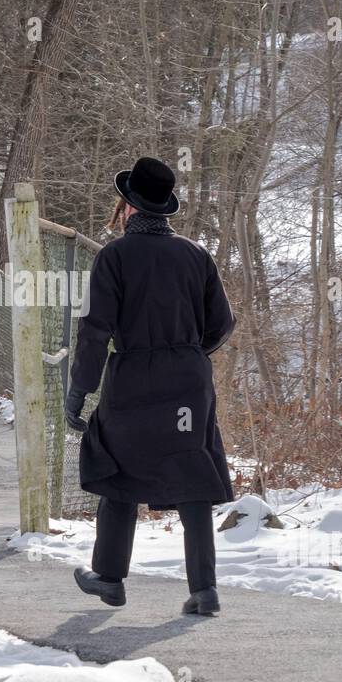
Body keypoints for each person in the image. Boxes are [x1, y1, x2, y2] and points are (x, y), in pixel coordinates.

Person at [65, 156, 236, 614]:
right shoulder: (196, 255)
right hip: (189, 381)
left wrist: (79, 390)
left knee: (117, 471)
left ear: (128, 208)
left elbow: (95, 331)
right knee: (192, 475)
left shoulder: (115, 256)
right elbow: (223, 323)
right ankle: (204, 591)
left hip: (133, 380)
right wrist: (187, 352)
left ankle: (109, 578)